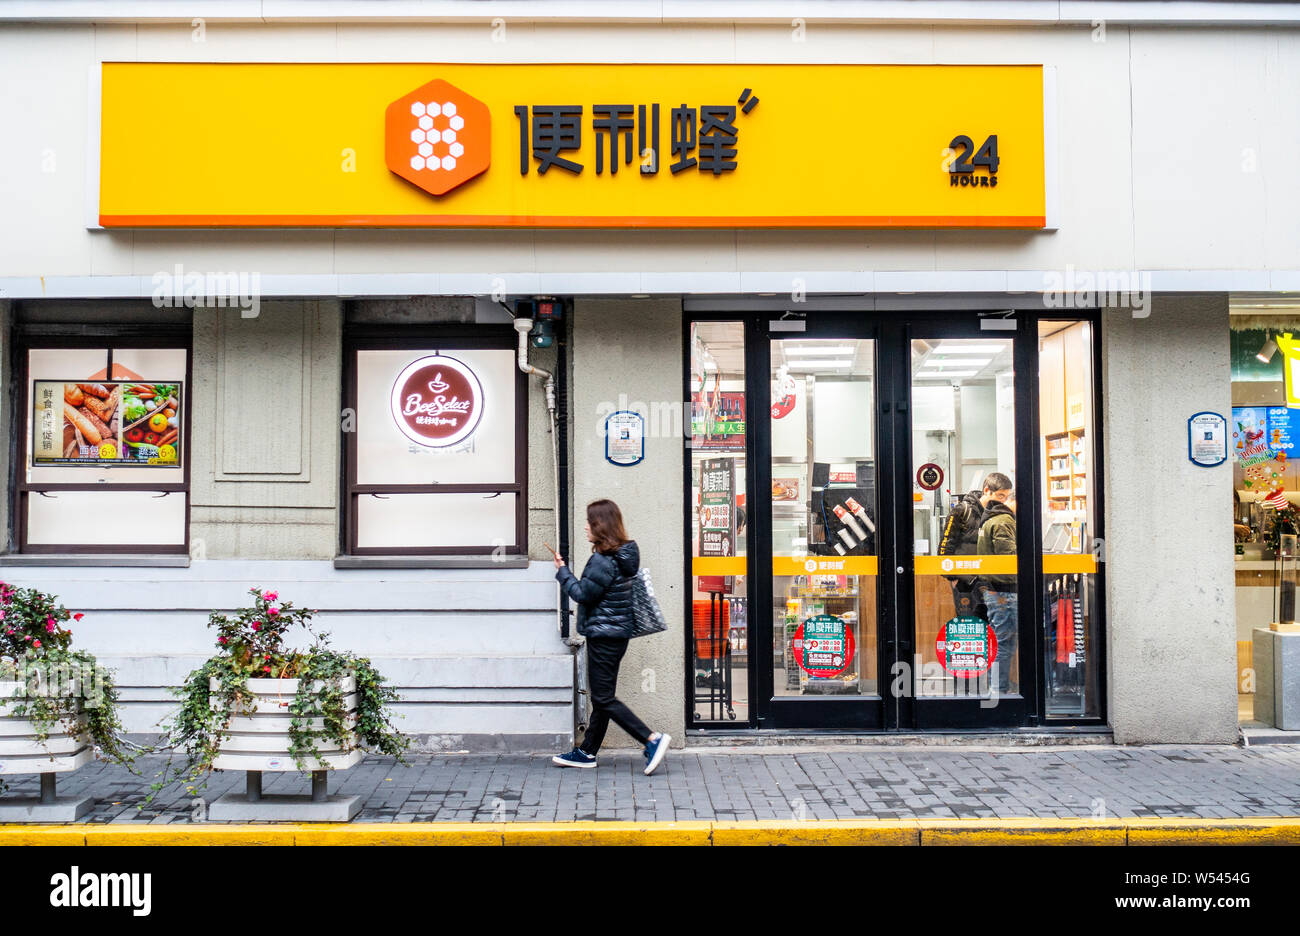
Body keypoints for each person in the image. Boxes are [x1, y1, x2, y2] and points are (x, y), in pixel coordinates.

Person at [552, 499, 671, 775]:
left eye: (589, 522)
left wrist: (562, 572)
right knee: (603, 697)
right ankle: (587, 752)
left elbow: (582, 594)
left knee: (604, 698)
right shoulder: (621, 557)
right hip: (616, 635)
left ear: (600, 526)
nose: (585, 527)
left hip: (604, 635)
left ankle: (651, 739)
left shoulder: (602, 561)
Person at [976, 473, 1017, 694]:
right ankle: (998, 690)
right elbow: (1009, 558)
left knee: (1001, 642)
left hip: (993, 590)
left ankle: (997, 688)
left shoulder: (989, 519)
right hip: (1005, 591)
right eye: (1002, 496)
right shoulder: (1003, 521)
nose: (1005, 500)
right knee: (1004, 643)